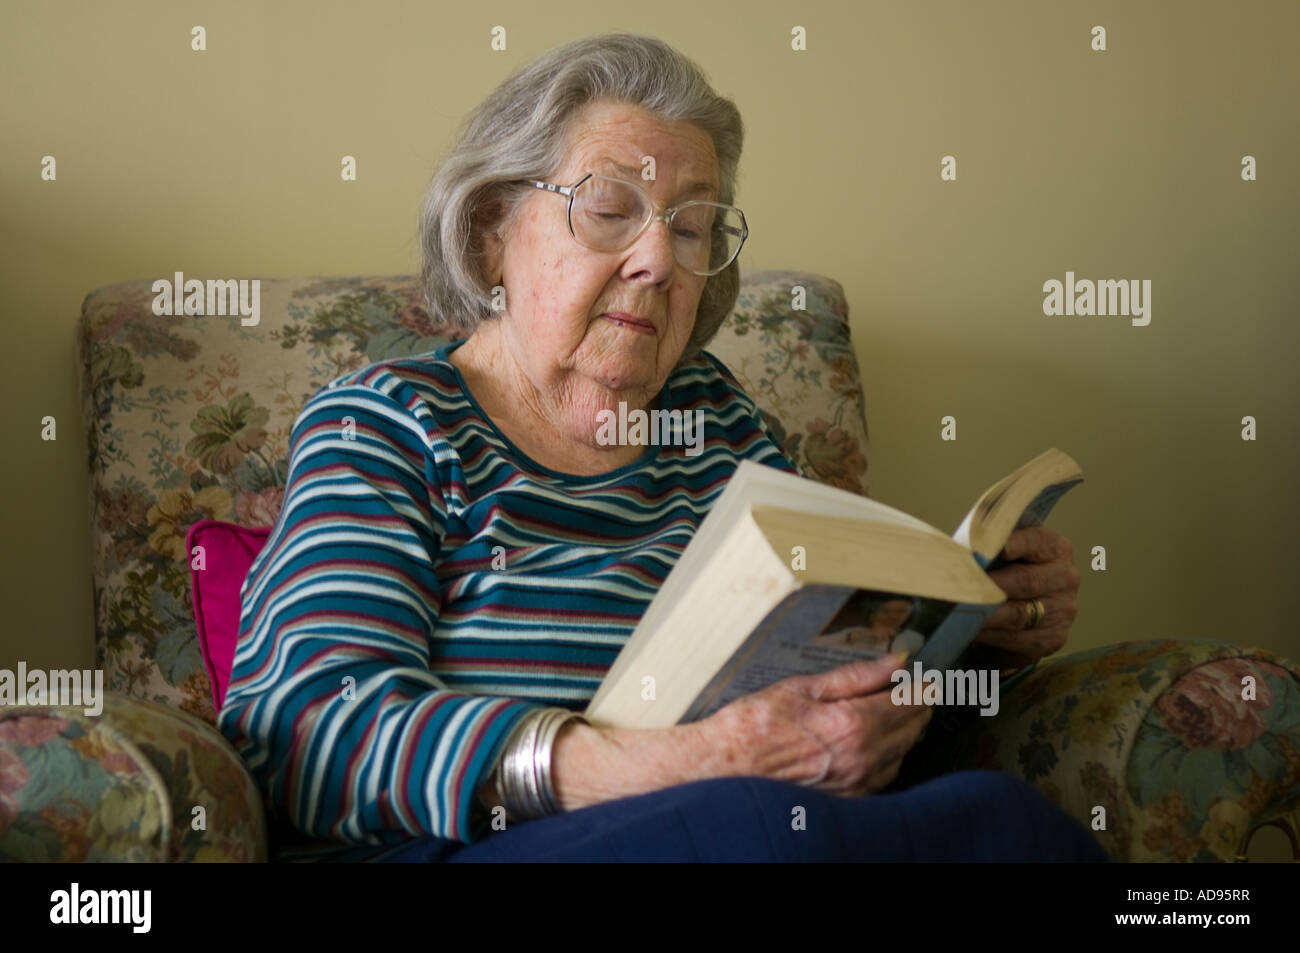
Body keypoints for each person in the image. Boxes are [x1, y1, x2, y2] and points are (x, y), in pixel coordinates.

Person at [217, 33, 1102, 863]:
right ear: (493, 232)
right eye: (609, 209)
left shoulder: (718, 426)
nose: (658, 261)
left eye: (689, 228)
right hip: (469, 844)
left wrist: (969, 635)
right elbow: (307, 728)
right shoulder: (388, 424)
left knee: (1007, 821)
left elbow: (813, 704)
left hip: (735, 824)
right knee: (757, 826)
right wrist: (675, 764)